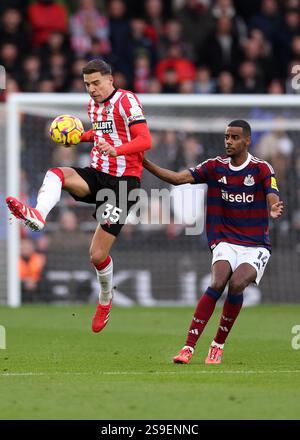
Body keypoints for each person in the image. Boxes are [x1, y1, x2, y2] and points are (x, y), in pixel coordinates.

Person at [6, 58, 152, 332]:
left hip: (122, 185)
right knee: (56, 173)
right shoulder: (93, 106)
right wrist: (79, 137)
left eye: (96, 83)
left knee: (96, 256)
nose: (92, 89)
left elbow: (145, 140)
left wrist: (116, 151)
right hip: (97, 175)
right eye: (87, 84)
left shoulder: (127, 101)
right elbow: (101, 133)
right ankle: (38, 214)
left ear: (110, 79)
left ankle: (105, 299)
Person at [143, 120, 283, 364]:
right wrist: (143, 162)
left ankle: (217, 344)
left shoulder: (261, 169)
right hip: (225, 239)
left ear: (247, 141)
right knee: (218, 281)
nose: (228, 141)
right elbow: (177, 179)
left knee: (237, 284)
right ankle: (188, 347)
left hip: (256, 244)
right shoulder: (214, 167)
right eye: (227, 136)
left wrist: (273, 207)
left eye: (234, 137)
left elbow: (272, 193)